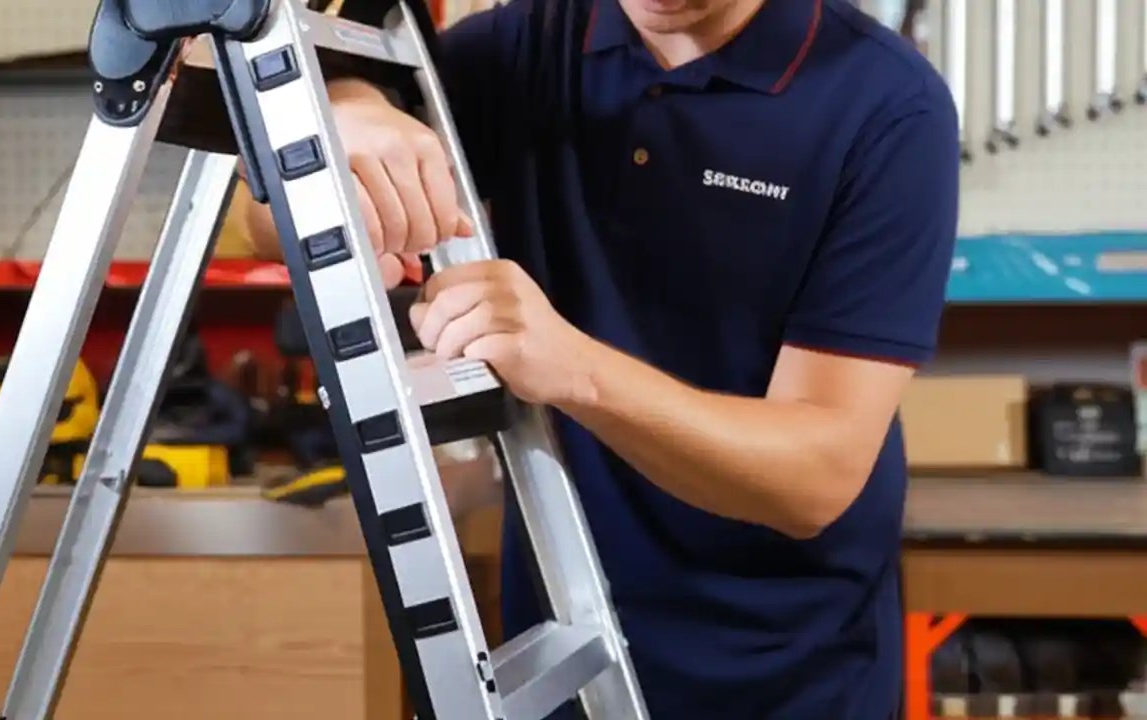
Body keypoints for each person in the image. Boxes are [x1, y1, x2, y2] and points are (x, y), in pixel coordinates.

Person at [243, 0, 960, 716]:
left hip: (790, 672)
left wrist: (573, 367)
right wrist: (347, 111)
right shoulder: (529, 43)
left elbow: (816, 477)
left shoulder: (887, 104)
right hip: (570, 645)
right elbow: (269, 224)